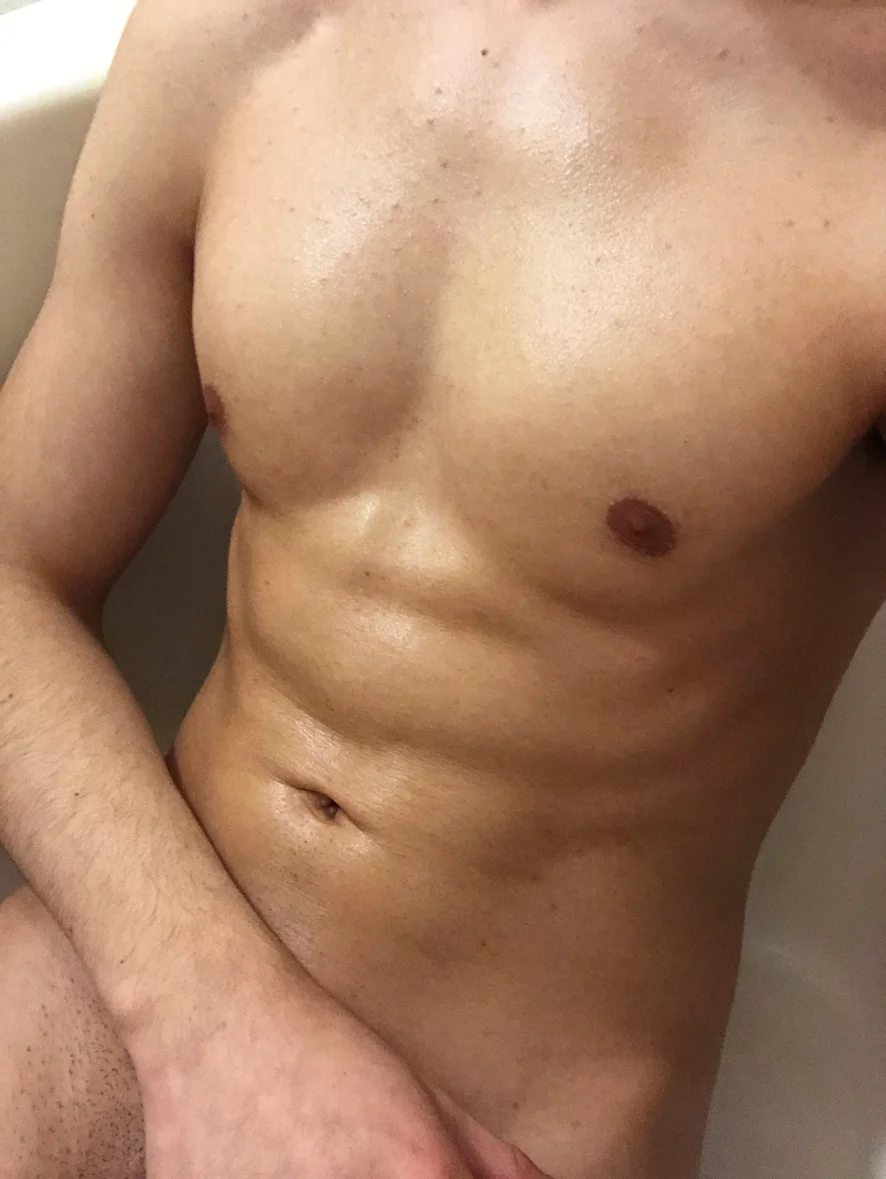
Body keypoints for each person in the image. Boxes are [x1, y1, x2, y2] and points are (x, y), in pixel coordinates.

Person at [1, 0, 885, 1176]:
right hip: (120, 975)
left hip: (486, 1121)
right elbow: (15, 571)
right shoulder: (238, 30)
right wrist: (210, 1026)